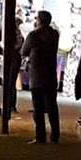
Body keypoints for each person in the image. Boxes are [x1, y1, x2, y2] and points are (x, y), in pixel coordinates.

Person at [20, 10, 61, 143]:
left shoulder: (33, 35)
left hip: (37, 74)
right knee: (52, 107)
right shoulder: (54, 34)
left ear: (39, 20)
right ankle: (55, 135)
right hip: (50, 74)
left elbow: (24, 51)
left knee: (38, 108)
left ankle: (40, 136)